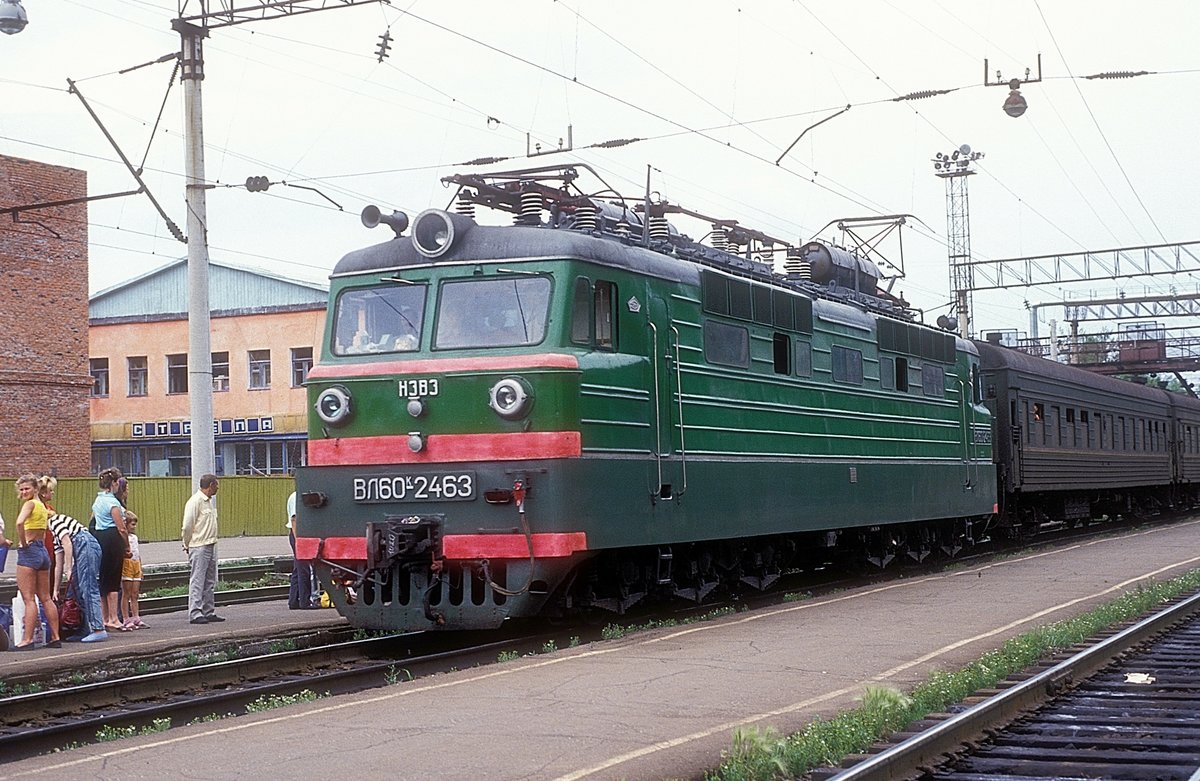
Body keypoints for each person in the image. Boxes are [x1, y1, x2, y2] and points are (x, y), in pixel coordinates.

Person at [12, 474, 61, 649]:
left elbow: (19, 523)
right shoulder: (42, 506)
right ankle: (55, 637)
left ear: (35, 489)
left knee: (29, 598)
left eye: (27, 488)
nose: (24, 491)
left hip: (29, 552)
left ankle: (27, 640)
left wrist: (23, 543)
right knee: (46, 598)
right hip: (43, 551)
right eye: (22, 489)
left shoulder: (30, 504)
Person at [47, 512, 107, 643]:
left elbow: (67, 543)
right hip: (84, 546)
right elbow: (58, 563)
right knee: (77, 591)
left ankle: (98, 628)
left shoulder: (54, 521)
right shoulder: (54, 536)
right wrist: (55, 589)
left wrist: (69, 569)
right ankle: (85, 628)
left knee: (88, 587)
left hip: (85, 544)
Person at [182, 474, 223, 625]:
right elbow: (187, 526)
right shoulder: (195, 502)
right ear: (211, 485)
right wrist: (186, 543)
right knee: (198, 580)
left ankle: (208, 610)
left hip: (210, 544)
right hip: (199, 546)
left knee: (209, 580)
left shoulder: (209, 502)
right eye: (216, 485)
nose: (218, 488)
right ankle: (195, 612)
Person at [91, 468, 129, 631]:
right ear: (113, 483)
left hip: (100, 538)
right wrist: (126, 545)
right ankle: (114, 618)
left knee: (103, 579)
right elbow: (121, 528)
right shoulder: (113, 503)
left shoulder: (98, 501)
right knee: (113, 580)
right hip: (113, 539)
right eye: (116, 482)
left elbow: (92, 519)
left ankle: (104, 617)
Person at [286, 491, 315, 610]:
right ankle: (305, 601)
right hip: (298, 535)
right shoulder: (296, 497)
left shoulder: (294, 495)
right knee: (304, 569)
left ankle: (293, 601)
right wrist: (299, 540)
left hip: (298, 535)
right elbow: (294, 519)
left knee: (298, 569)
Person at [119, 512, 146, 631]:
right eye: (132, 524)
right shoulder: (123, 538)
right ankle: (126, 618)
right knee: (126, 593)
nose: (134, 527)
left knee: (135, 593)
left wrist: (140, 566)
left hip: (136, 564)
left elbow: (137, 553)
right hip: (127, 564)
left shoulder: (134, 538)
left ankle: (136, 616)